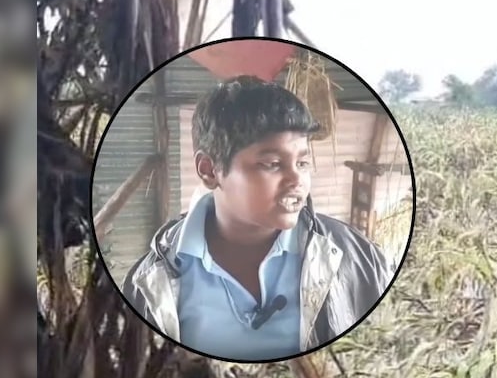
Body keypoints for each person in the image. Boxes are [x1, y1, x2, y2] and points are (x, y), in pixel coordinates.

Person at [121, 75, 393, 361]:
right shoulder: (148, 282)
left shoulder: (359, 259)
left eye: (302, 162)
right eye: (272, 164)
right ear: (209, 170)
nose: (296, 179)